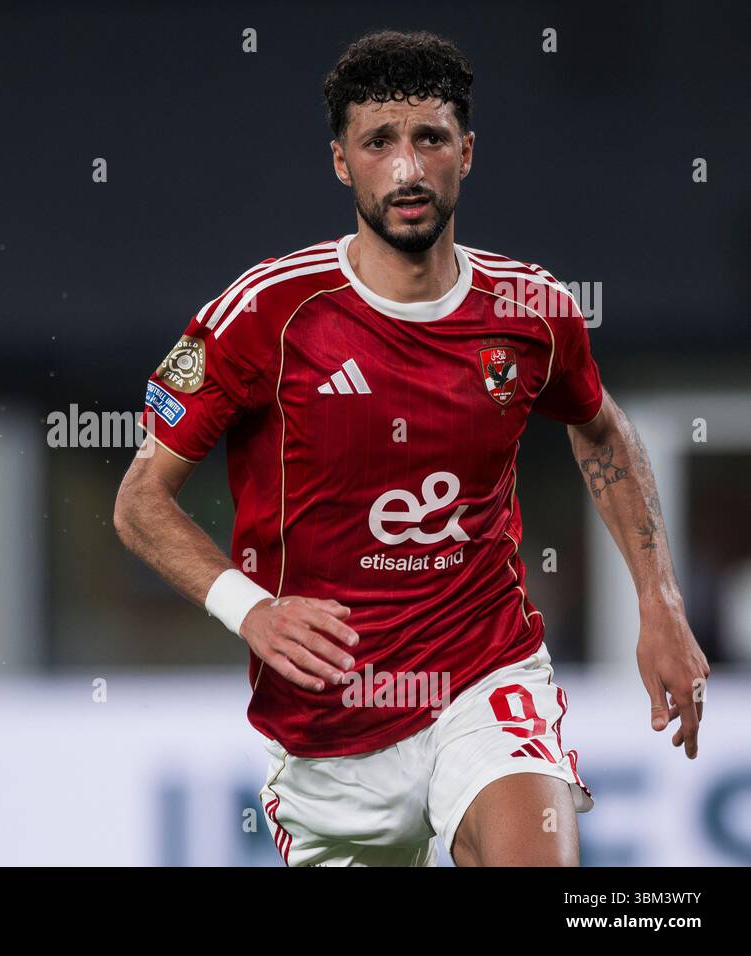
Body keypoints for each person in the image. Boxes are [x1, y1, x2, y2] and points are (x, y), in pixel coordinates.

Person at [112, 29, 709, 866]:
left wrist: (660, 600)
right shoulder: (264, 314)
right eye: (378, 142)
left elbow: (601, 428)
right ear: (340, 162)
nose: (407, 168)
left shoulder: (532, 310)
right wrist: (251, 609)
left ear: (466, 152)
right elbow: (139, 501)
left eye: (429, 138)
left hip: (484, 674)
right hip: (329, 728)